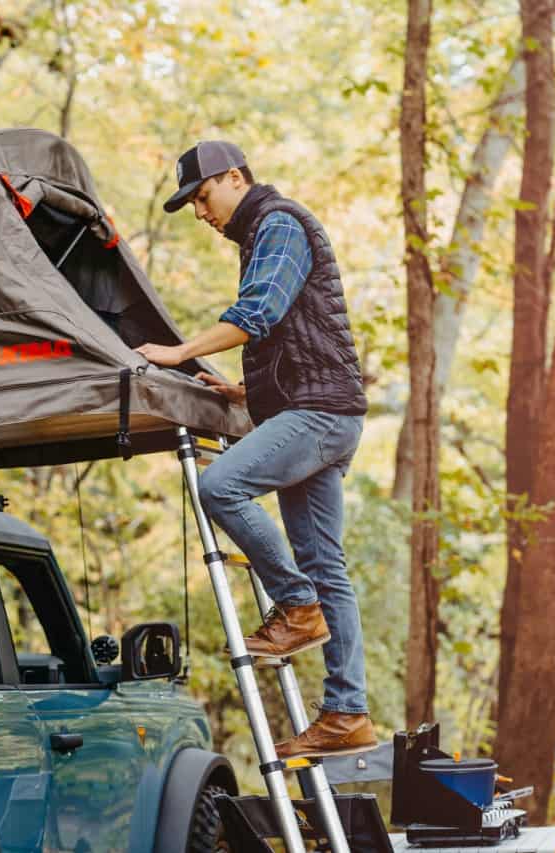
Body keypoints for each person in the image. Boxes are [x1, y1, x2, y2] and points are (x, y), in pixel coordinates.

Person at [135, 141, 374, 759]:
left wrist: (179, 352)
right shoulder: (264, 234)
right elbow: (302, 333)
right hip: (320, 409)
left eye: (202, 197)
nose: (200, 213)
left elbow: (258, 313)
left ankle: (296, 606)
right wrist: (248, 391)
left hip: (318, 415)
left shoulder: (278, 224)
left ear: (235, 177)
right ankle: (347, 713)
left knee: (220, 485)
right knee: (326, 567)